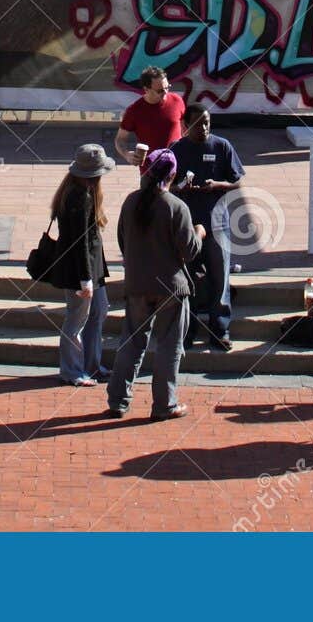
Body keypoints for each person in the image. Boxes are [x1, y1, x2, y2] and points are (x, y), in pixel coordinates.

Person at [106, 149, 204, 421]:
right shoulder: (175, 206)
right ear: (173, 174)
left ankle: (118, 399)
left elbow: (123, 241)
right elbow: (190, 250)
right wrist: (199, 232)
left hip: (137, 282)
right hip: (170, 286)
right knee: (169, 346)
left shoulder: (131, 202)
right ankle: (164, 403)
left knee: (131, 342)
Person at [171, 105, 243, 351]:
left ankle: (220, 329)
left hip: (218, 224)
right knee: (187, 278)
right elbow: (166, 185)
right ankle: (186, 331)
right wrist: (180, 188)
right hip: (187, 226)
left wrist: (218, 185)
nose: (203, 128)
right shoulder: (177, 150)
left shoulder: (222, 146)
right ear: (185, 125)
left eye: (207, 123)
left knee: (220, 277)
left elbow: (238, 182)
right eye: (198, 123)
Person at [53, 145, 115, 386]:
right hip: (82, 270)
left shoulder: (76, 192)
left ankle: (91, 364)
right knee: (76, 319)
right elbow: (80, 243)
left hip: (90, 267)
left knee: (98, 310)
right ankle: (72, 370)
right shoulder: (81, 198)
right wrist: (85, 278)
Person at [115, 67, 185, 169]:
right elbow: (120, 139)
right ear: (146, 89)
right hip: (151, 169)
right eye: (160, 90)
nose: (165, 93)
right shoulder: (134, 111)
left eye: (167, 87)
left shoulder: (177, 101)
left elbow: (184, 129)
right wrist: (127, 155)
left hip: (178, 164)